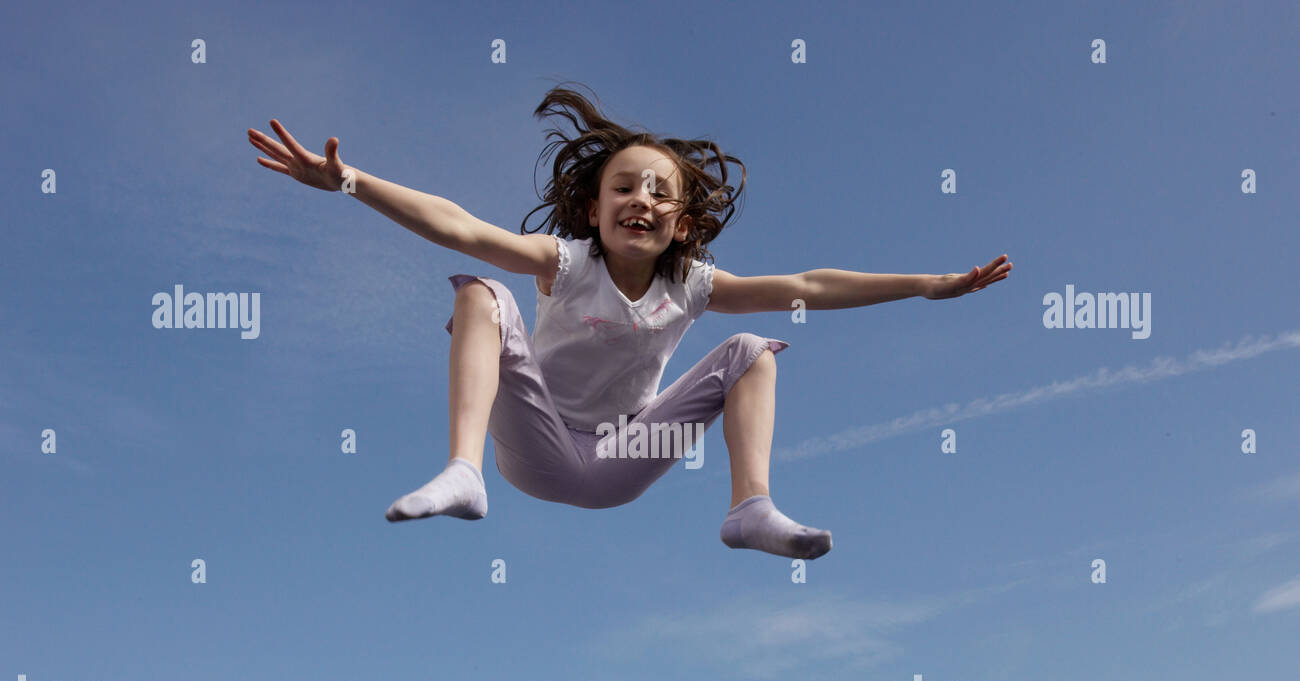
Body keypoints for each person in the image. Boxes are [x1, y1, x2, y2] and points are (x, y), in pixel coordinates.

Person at [247, 85, 1010, 560]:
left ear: (681, 223)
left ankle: (749, 508)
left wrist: (924, 285)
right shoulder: (564, 262)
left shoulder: (694, 286)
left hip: (622, 459)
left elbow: (807, 283)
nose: (640, 198)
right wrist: (348, 180)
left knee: (753, 350)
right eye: (623, 187)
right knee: (481, 289)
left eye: (658, 191)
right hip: (536, 447)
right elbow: (459, 225)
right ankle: (463, 471)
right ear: (593, 209)